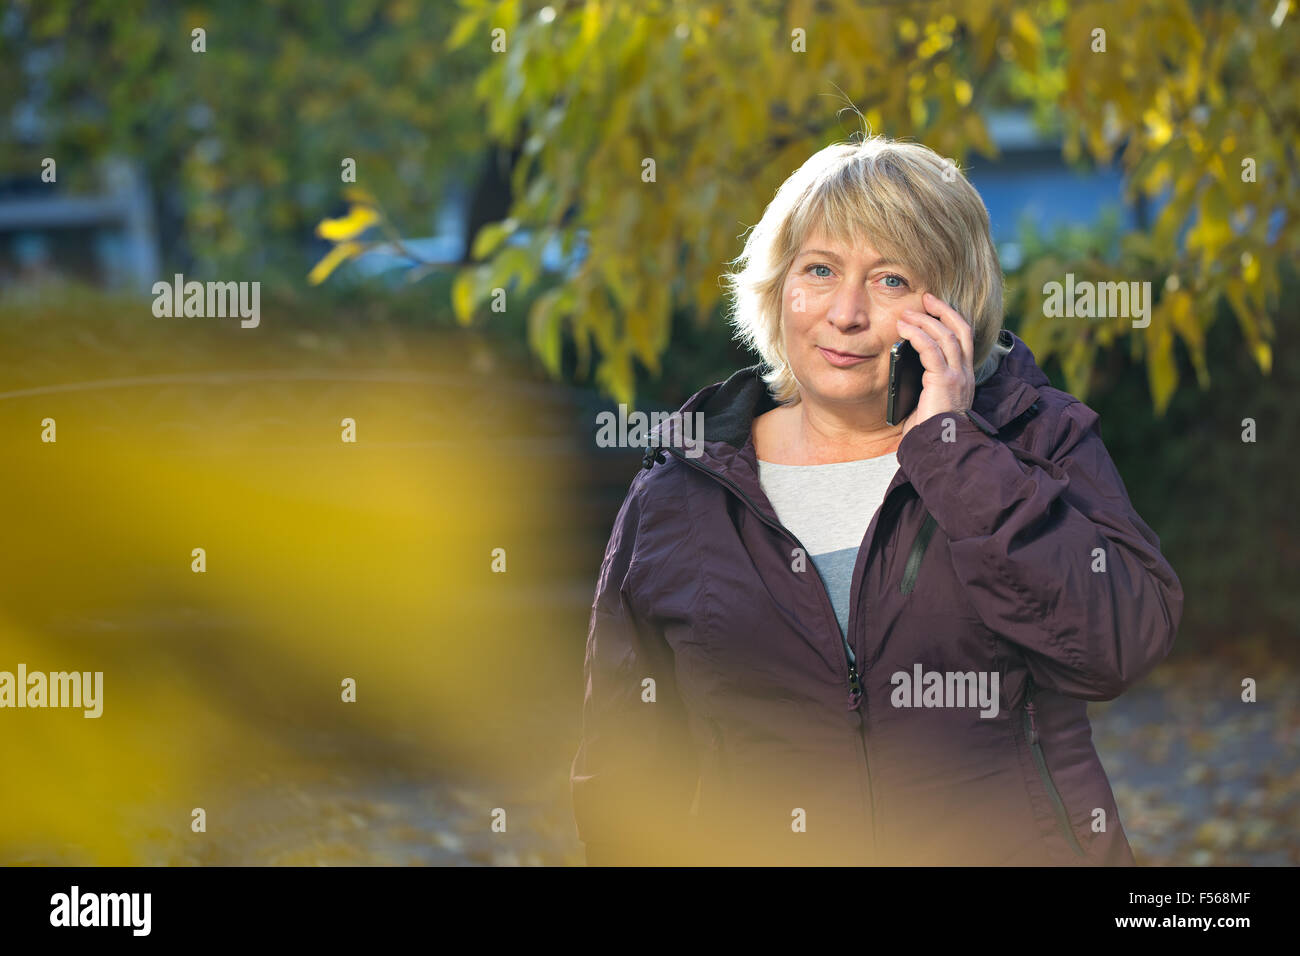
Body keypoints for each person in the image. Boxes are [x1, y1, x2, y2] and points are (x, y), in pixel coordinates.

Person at [570, 135, 1183, 866]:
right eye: (820, 270)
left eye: (890, 280)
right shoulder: (678, 494)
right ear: (776, 288)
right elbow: (624, 778)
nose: (847, 312)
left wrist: (955, 453)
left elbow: (1118, 646)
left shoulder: (1031, 439)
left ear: (952, 307)